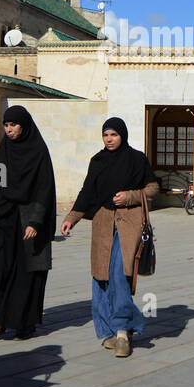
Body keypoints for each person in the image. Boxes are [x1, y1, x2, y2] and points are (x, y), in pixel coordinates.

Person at [60, 118, 159, 359]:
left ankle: (124, 331)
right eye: (105, 135)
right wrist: (71, 218)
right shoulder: (98, 161)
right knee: (100, 277)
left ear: (122, 135)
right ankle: (108, 332)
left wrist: (130, 196)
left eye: (113, 135)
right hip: (103, 223)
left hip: (129, 223)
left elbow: (153, 188)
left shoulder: (136, 159)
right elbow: (87, 192)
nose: (109, 139)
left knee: (119, 274)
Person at [0, 105, 56, 341]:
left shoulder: (38, 152)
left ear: (24, 126)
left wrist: (35, 221)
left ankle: (25, 323)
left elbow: (44, 189)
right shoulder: (4, 151)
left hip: (30, 221)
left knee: (27, 275)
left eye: (14, 125)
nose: (9, 130)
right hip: (4, 218)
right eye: (6, 125)